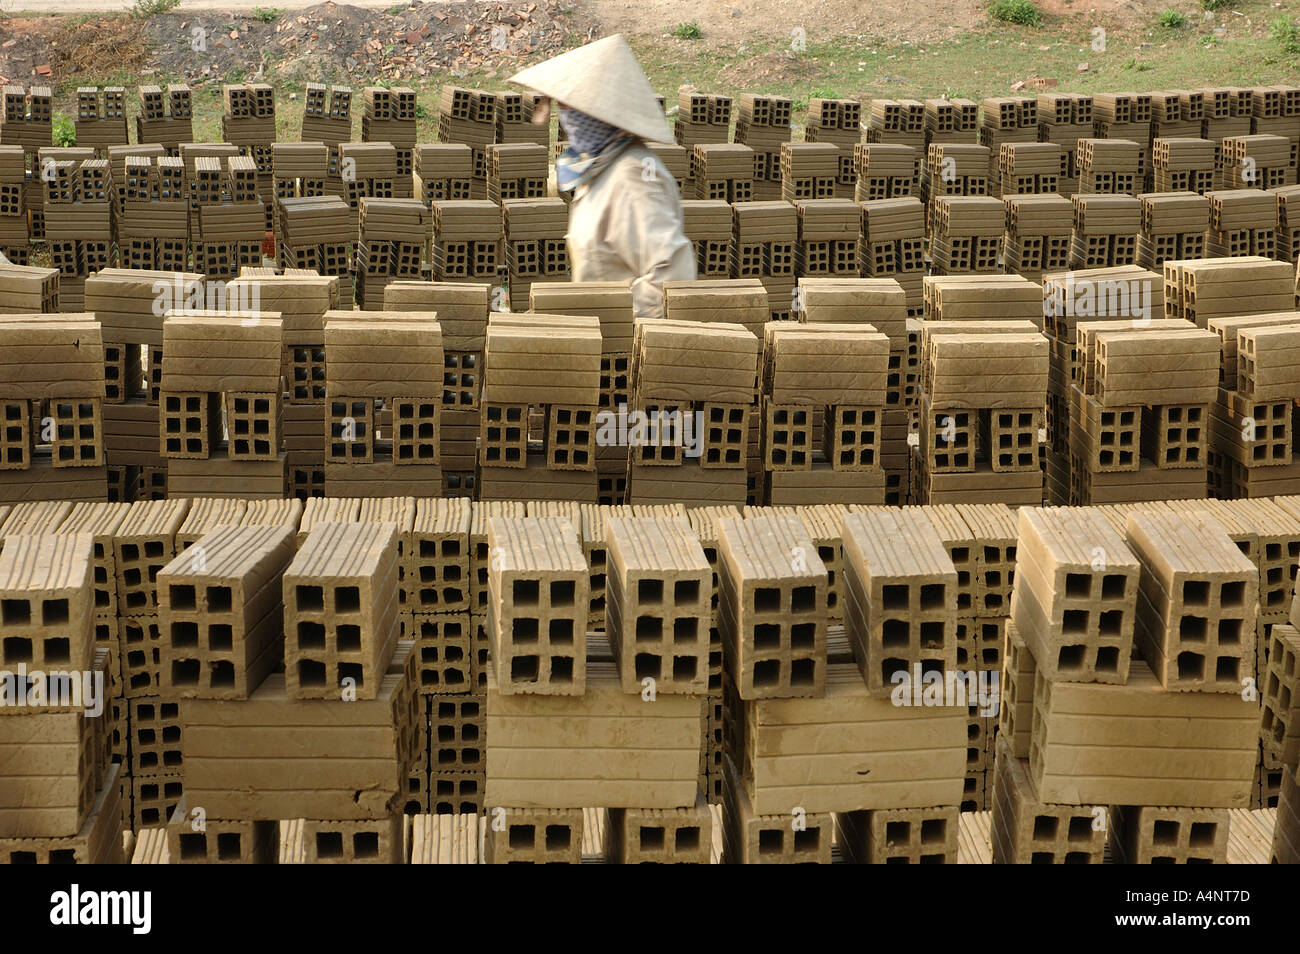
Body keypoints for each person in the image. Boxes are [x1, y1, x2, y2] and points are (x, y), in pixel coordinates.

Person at [509, 34, 696, 318]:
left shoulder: (633, 174)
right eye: (563, 108)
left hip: (619, 351)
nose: (566, 118)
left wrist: (610, 327)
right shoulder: (601, 168)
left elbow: (672, 277)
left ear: (602, 113)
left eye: (574, 109)